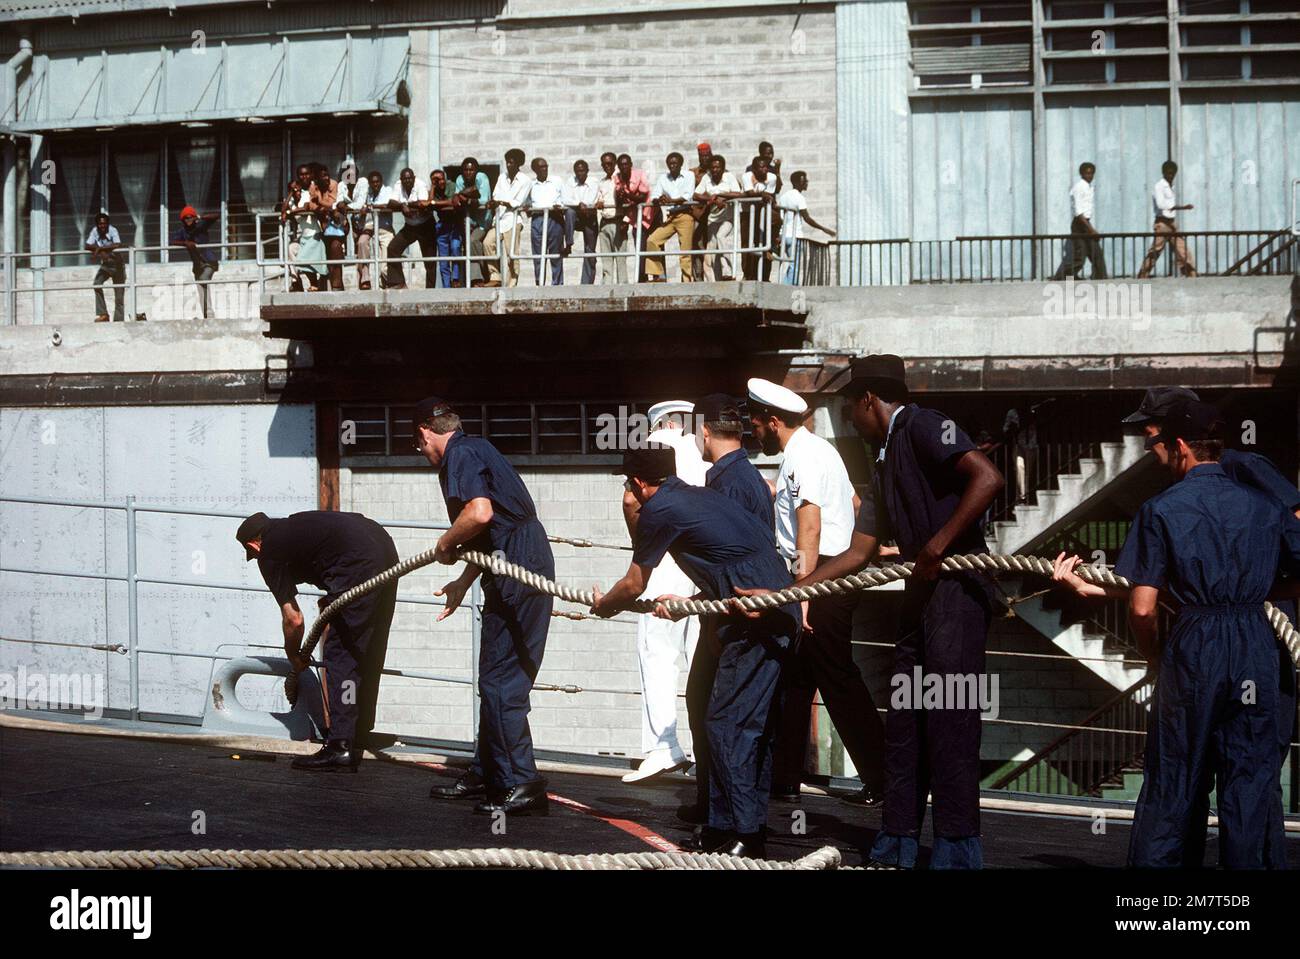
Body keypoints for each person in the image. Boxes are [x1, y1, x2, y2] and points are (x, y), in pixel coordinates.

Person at [747, 355, 1004, 868]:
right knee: (905, 717)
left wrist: (936, 547)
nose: (848, 417)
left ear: (868, 400)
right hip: (920, 593)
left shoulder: (925, 425)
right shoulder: (883, 459)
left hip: (955, 594)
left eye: (849, 406)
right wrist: (792, 591)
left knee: (950, 719)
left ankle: (957, 850)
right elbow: (856, 554)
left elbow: (987, 478)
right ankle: (898, 839)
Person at [1052, 398, 1298, 868]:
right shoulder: (1264, 505)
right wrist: (1253, 592)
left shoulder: (1162, 508)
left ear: (1181, 445)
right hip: (1255, 645)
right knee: (1248, 787)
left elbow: (1144, 608)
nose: (1156, 455)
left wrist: (1156, 660)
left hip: (1194, 648)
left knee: (1174, 781)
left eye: (1158, 447)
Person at [591, 443, 802, 859]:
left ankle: (747, 833)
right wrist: (692, 599)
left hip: (758, 614)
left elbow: (634, 583)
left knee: (728, 725)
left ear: (636, 483)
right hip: (771, 606)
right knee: (740, 725)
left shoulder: (656, 511)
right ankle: (727, 826)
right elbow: (725, 555)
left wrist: (604, 606)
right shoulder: (696, 496)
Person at [747, 377, 887, 808]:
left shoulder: (801, 458)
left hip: (821, 574)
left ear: (773, 422)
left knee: (836, 676)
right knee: (796, 678)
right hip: (827, 571)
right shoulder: (823, 449)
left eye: (756, 423)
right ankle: (784, 777)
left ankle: (884, 779)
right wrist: (877, 547)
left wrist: (802, 597)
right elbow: (855, 505)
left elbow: (810, 525)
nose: (754, 431)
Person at [416, 396, 556, 815]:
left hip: (519, 563)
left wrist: (445, 542)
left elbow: (478, 514)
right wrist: (463, 580)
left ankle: (522, 782)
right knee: (492, 674)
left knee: (502, 680)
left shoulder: (459, 453)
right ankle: (489, 771)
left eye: (417, 444)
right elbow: (488, 530)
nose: (421, 452)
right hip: (512, 560)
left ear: (425, 432)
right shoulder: (477, 447)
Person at [676, 393, 775, 826]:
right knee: (727, 718)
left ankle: (727, 818)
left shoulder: (729, 483)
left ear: (704, 431)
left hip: (736, 618)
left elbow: (731, 561)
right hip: (736, 611)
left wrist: (714, 621)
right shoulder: (745, 477)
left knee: (718, 717)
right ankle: (720, 809)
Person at [235, 510, 399, 771]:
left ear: (254, 544)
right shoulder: (294, 526)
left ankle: (341, 745)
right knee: (367, 648)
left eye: (252, 554)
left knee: (341, 654)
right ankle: (360, 730)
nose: (255, 559)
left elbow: (294, 619)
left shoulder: (268, 553)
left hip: (359, 562)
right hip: (384, 546)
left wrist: (293, 656)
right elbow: (330, 552)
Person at [620, 400, 708, 785]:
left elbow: (630, 501)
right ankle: (706, 748)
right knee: (697, 654)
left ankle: (663, 746)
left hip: (665, 561)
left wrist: (642, 550)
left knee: (657, 651)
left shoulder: (654, 447)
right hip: (701, 564)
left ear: (659, 421)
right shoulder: (702, 453)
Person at [1137, 160, 1197, 278]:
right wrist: (1181, 207)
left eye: (1173, 173)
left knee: (1182, 249)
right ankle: (1143, 274)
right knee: (1156, 250)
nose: (1171, 176)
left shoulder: (1170, 187)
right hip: (1162, 223)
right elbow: (1161, 204)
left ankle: (1191, 274)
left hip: (1171, 222)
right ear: (1163, 173)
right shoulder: (1159, 186)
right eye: (1168, 173)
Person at [483, 148, 533, 288]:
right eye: (507, 162)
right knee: (488, 243)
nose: (508, 165)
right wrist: (498, 202)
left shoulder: (525, 180)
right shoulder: (501, 177)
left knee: (512, 254)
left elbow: (518, 202)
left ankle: (512, 284)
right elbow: (495, 195)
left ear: (518, 164)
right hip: (499, 219)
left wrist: (501, 202)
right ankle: (495, 276)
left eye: (511, 162)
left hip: (513, 219)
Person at [645, 152, 696, 283]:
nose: (672, 166)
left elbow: (687, 196)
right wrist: (659, 199)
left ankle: (687, 281)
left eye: (675, 163)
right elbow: (655, 195)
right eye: (670, 164)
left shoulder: (689, 175)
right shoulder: (663, 178)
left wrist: (671, 200)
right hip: (671, 217)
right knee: (652, 240)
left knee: (685, 252)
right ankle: (658, 275)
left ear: (680, 164)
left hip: (685, 215)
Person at [1052, 162, 1107, 281]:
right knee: (1080, 255)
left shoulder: (1089, 187)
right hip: (1080, 223)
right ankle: (1063, 276)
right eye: (1087, 173)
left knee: (1095, 252)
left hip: (1085, 222)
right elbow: (1079, 212)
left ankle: (1100, 277)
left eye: (1092, 173)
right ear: (1081, 174)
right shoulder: (1079, 187)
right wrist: (1091, 230)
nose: (1090, 175)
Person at [777, 171, 835, 284]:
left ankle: (785, 284)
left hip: (783, 234)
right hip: (795, 236)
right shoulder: (799, 197)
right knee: (795, 264)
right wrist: (824, 229)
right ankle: (788, 287)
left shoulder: (784, 196)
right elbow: (807, 218)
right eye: (804, 181)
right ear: (797, 183)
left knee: (786, 262)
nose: (806, 183)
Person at [693, 155, 742, 281]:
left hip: (728, 218)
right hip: (713, 219)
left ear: (723, 168)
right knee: (711, 250)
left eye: (718, 167)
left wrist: (720, 195)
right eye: (713, 167)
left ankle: (728, 271)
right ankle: (712, 280)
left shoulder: (729, 177)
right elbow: (696, 195)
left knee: (721, 236)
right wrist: (712, 199)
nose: (715, 170)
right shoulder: (706, 178)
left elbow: (738, 193)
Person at [385, 167, 435, 290]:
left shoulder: (420, 185)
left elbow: (422, 204)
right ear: (401, 179)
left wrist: (409, 205)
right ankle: (399, 282)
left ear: (414, 178)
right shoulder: (398, 185)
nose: (407, 181)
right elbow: (390, 202)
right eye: (405, 179)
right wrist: (402, 206)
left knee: (430, 261)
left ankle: (430, 291)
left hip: (425, 226)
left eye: (409, 178)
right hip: (410, 226)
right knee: (392, 248)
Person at [346, 170, 394, 291]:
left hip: (384, 229)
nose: (375, 184)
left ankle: (388, 283)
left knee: (384, 266)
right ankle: (365, 279)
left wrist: (370, 207)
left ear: (381, 181)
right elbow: (359, 206)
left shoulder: (388, 190)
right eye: (372, 182)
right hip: (370, 226)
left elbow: (387, 204)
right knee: (362, 242)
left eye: (377, 182)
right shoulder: (368, 193)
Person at [170, 205, 220, 318]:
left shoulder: (201, 225)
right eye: (186, 218)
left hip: (209, 262)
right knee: (201, 290)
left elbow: (216, 216)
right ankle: (207, 315)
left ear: (194, 218)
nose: (188, 220)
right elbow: (172, 241)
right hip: (197, 265)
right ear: (183, 220)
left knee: (203, 280)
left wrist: (201, 217)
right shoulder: (183, 231)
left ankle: (210, 314)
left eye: (190, 217)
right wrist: (186, 243)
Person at [525, 156, 566, 287]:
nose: (544, 169)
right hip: (538, 219)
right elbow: (526, 204)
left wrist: (560, 206)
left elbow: (565, 199)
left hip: (554, 218)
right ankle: (540, 284)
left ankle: (557, 285)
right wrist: (527, 208)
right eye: (541, 167)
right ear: (535, 170)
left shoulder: (557, 181)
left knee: (555, 255)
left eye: (546, 166)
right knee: (538, 256)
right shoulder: (530, 185)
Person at [609, 153, 650, 283]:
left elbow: (643, 197)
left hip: (648, 214)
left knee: (652, 246)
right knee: (639, 245)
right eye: (621, 165)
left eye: (626, 164)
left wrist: (627, 194)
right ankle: (640, 278)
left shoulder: (640, 174)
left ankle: (655, 277)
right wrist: (624, 219)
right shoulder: (617, 178)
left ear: (631, 165)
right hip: (634, 216)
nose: (624, 167)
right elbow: (620, 200)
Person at [453, 157, 493, 287]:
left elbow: (484, 200)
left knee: (473, 240)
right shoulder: (460, 179)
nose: (468, 172)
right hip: (468, 219)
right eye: (466, 169)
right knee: (465, 246)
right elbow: (458, 199)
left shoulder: (482, 177)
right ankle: (478, 277)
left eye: (471, 169)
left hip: (483, 220)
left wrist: (467, 198)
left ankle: (477, 279)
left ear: (476, 170)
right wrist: (469, 195)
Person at [739, 155, 778, 281]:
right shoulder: (747, 176)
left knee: (764, 243)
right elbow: (750, 194)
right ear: (754, 169)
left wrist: (762, 196)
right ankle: (748, 274)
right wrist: (761, 194)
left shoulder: (772, 177)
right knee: (747, 244)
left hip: (762, 212)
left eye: (766, 167)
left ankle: (764, 276)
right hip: (747, 213)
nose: (765, 170)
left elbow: (769, 196)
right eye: (761, 167)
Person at [562, 159, 600, 285]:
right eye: (577, 171)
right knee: (569, 212)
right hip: (577, 216)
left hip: (589, 217)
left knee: (590, 251)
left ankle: (587, 283)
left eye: (582, 171)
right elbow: (566, 199)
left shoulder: (593, 182)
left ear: (587, 171)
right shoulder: (570, 181)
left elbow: (592, 199)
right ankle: (569, 244)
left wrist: (585, 205)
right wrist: (578, 204)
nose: (580, 174)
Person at [86, 212, 125, 323]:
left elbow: (118, 244)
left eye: (104, 224)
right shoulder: (94, 231)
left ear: (108, 224)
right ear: (97, 224)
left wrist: (100, 249)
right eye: (100, 224)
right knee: (97, 284)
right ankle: (103, 314)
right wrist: (100, 250)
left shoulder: (113, 230)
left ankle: (118, 321)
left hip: (117, 264)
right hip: (106, 264)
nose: (102, 226)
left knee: (119, 296)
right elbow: (87, 245)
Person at [430, 168, 465, 288]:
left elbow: (453, 202)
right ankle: (446, 286)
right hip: (442, 225)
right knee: (443, 259)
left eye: (441, 178)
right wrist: (433, 188)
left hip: (455, 223)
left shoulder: (452, 185)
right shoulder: (433, 189)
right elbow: (429, 203)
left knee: (455, 249)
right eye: (435, 180)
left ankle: (455, 279)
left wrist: (436, 204)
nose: (440, 182)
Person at [593, 152, 622, 284]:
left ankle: (623, 287)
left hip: (618, 221)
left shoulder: (621, 179)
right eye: (605, 164)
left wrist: (625, 221)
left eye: (610, 163)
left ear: (615, 163)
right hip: (604, 222)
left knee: (621, 259)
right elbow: (598, 199)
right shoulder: (602, 182)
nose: (607, 166)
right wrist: (598, 202)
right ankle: (607, 287)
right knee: (606, 259)